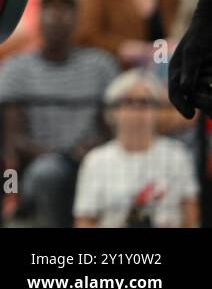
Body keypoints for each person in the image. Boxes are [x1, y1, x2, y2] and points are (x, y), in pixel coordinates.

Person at [0, 0, 119, 227]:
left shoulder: (101, 66)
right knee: (49, 172)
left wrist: (92, 147)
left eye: (66, 10)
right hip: (39, 163)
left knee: (110, 167)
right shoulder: (16, 69)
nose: (58, 18)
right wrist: (54, 153)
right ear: (38, 19)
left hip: (93, 157)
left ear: (77, 19)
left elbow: (112, 126)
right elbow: (12, 138)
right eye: (50, 10)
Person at [75, 69, 199, 227]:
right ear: (113, 111)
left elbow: (191, 218)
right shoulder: (96, 160)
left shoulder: (177, 155)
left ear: (156, 110)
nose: (137, 110)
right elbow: (85, 221)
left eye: (145, 102)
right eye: (129, 102)